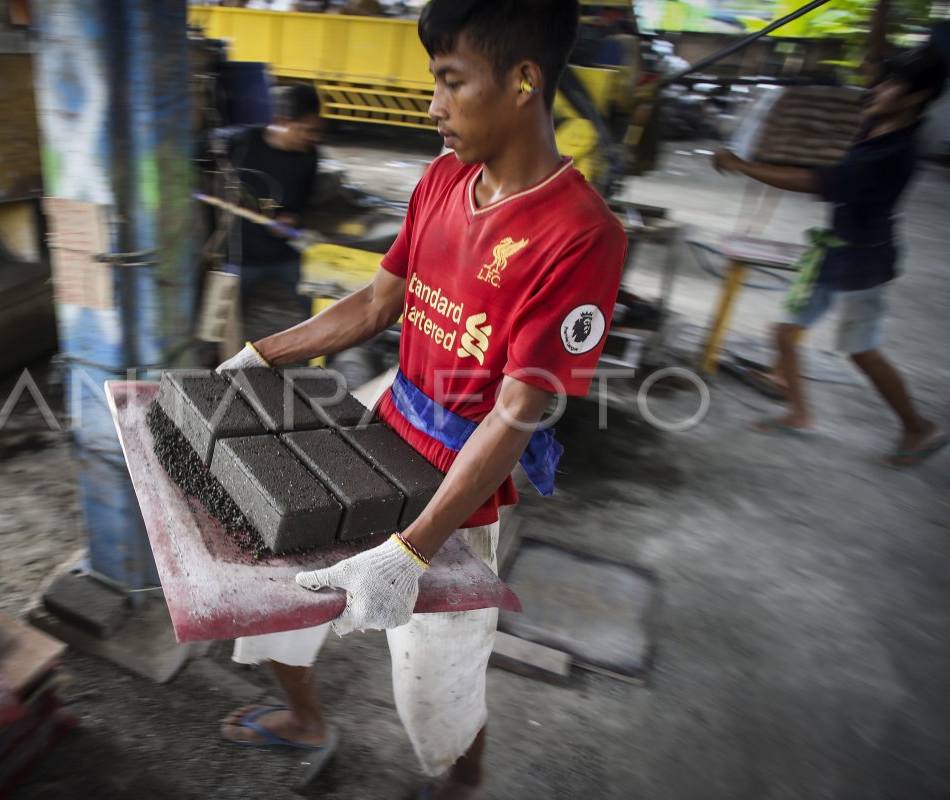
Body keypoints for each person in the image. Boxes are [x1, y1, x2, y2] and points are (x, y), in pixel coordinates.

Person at [215, 1, 627, 796]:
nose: (432, 104)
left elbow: (517, 413)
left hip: (461, 486)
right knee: (270, 594)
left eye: (449, 81)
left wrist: (412, 549)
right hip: (383, 430)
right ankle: (305, 717)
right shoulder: (442, 180)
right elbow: (375, 307)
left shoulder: (582, 234)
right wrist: (259, 355)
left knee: (435, 688)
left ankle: (461, 780)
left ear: (523, 80)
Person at [713, 1, 947, 468]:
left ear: (916, 97)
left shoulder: (892, 151)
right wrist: (881, 9)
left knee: (861, 350)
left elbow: (817, 182)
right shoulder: (882, 118)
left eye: (889, 86)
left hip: (864, 261)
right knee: (783, 333)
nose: (874, 89)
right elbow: (876, 59)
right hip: (834, 254)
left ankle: (918, 427)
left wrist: (742, 167)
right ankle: (799, 411)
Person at [218, 83, 321, 314]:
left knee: (320, 306)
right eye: (306, 129)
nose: (312, 137)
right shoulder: (241, 143)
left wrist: (293, 217)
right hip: (241, 257)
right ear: (282, 122)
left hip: (286, 254)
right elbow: (199, 150)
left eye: (315, 131)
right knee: (222, 320)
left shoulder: (309, 156)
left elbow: (304, 198)